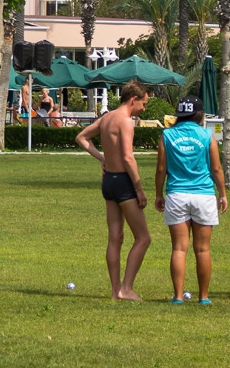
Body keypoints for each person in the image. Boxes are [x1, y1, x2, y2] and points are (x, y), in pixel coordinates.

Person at [76, 82, 152, 301]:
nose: (144, 109)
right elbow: (128, 157)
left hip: (109, 181)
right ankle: (126, 289)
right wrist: (139, 188)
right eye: (143, 104)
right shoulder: (125, 121)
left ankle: (115, 290)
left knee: (115, 238)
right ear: (133, 100)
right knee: (143, 238)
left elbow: (81, 137)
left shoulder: (107, 118)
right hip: (123, 183)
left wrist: (102, 158)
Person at [155, 96, 226, 304]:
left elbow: (161, 168)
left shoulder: (167, 135)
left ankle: (178, 296)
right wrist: (223, 193)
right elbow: (216, 168)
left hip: (177, 194)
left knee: (179, 248)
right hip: (203, 194)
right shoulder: (207, 135)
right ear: (199, 114)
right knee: (203, 249)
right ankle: (204, 297)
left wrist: (158, 194)